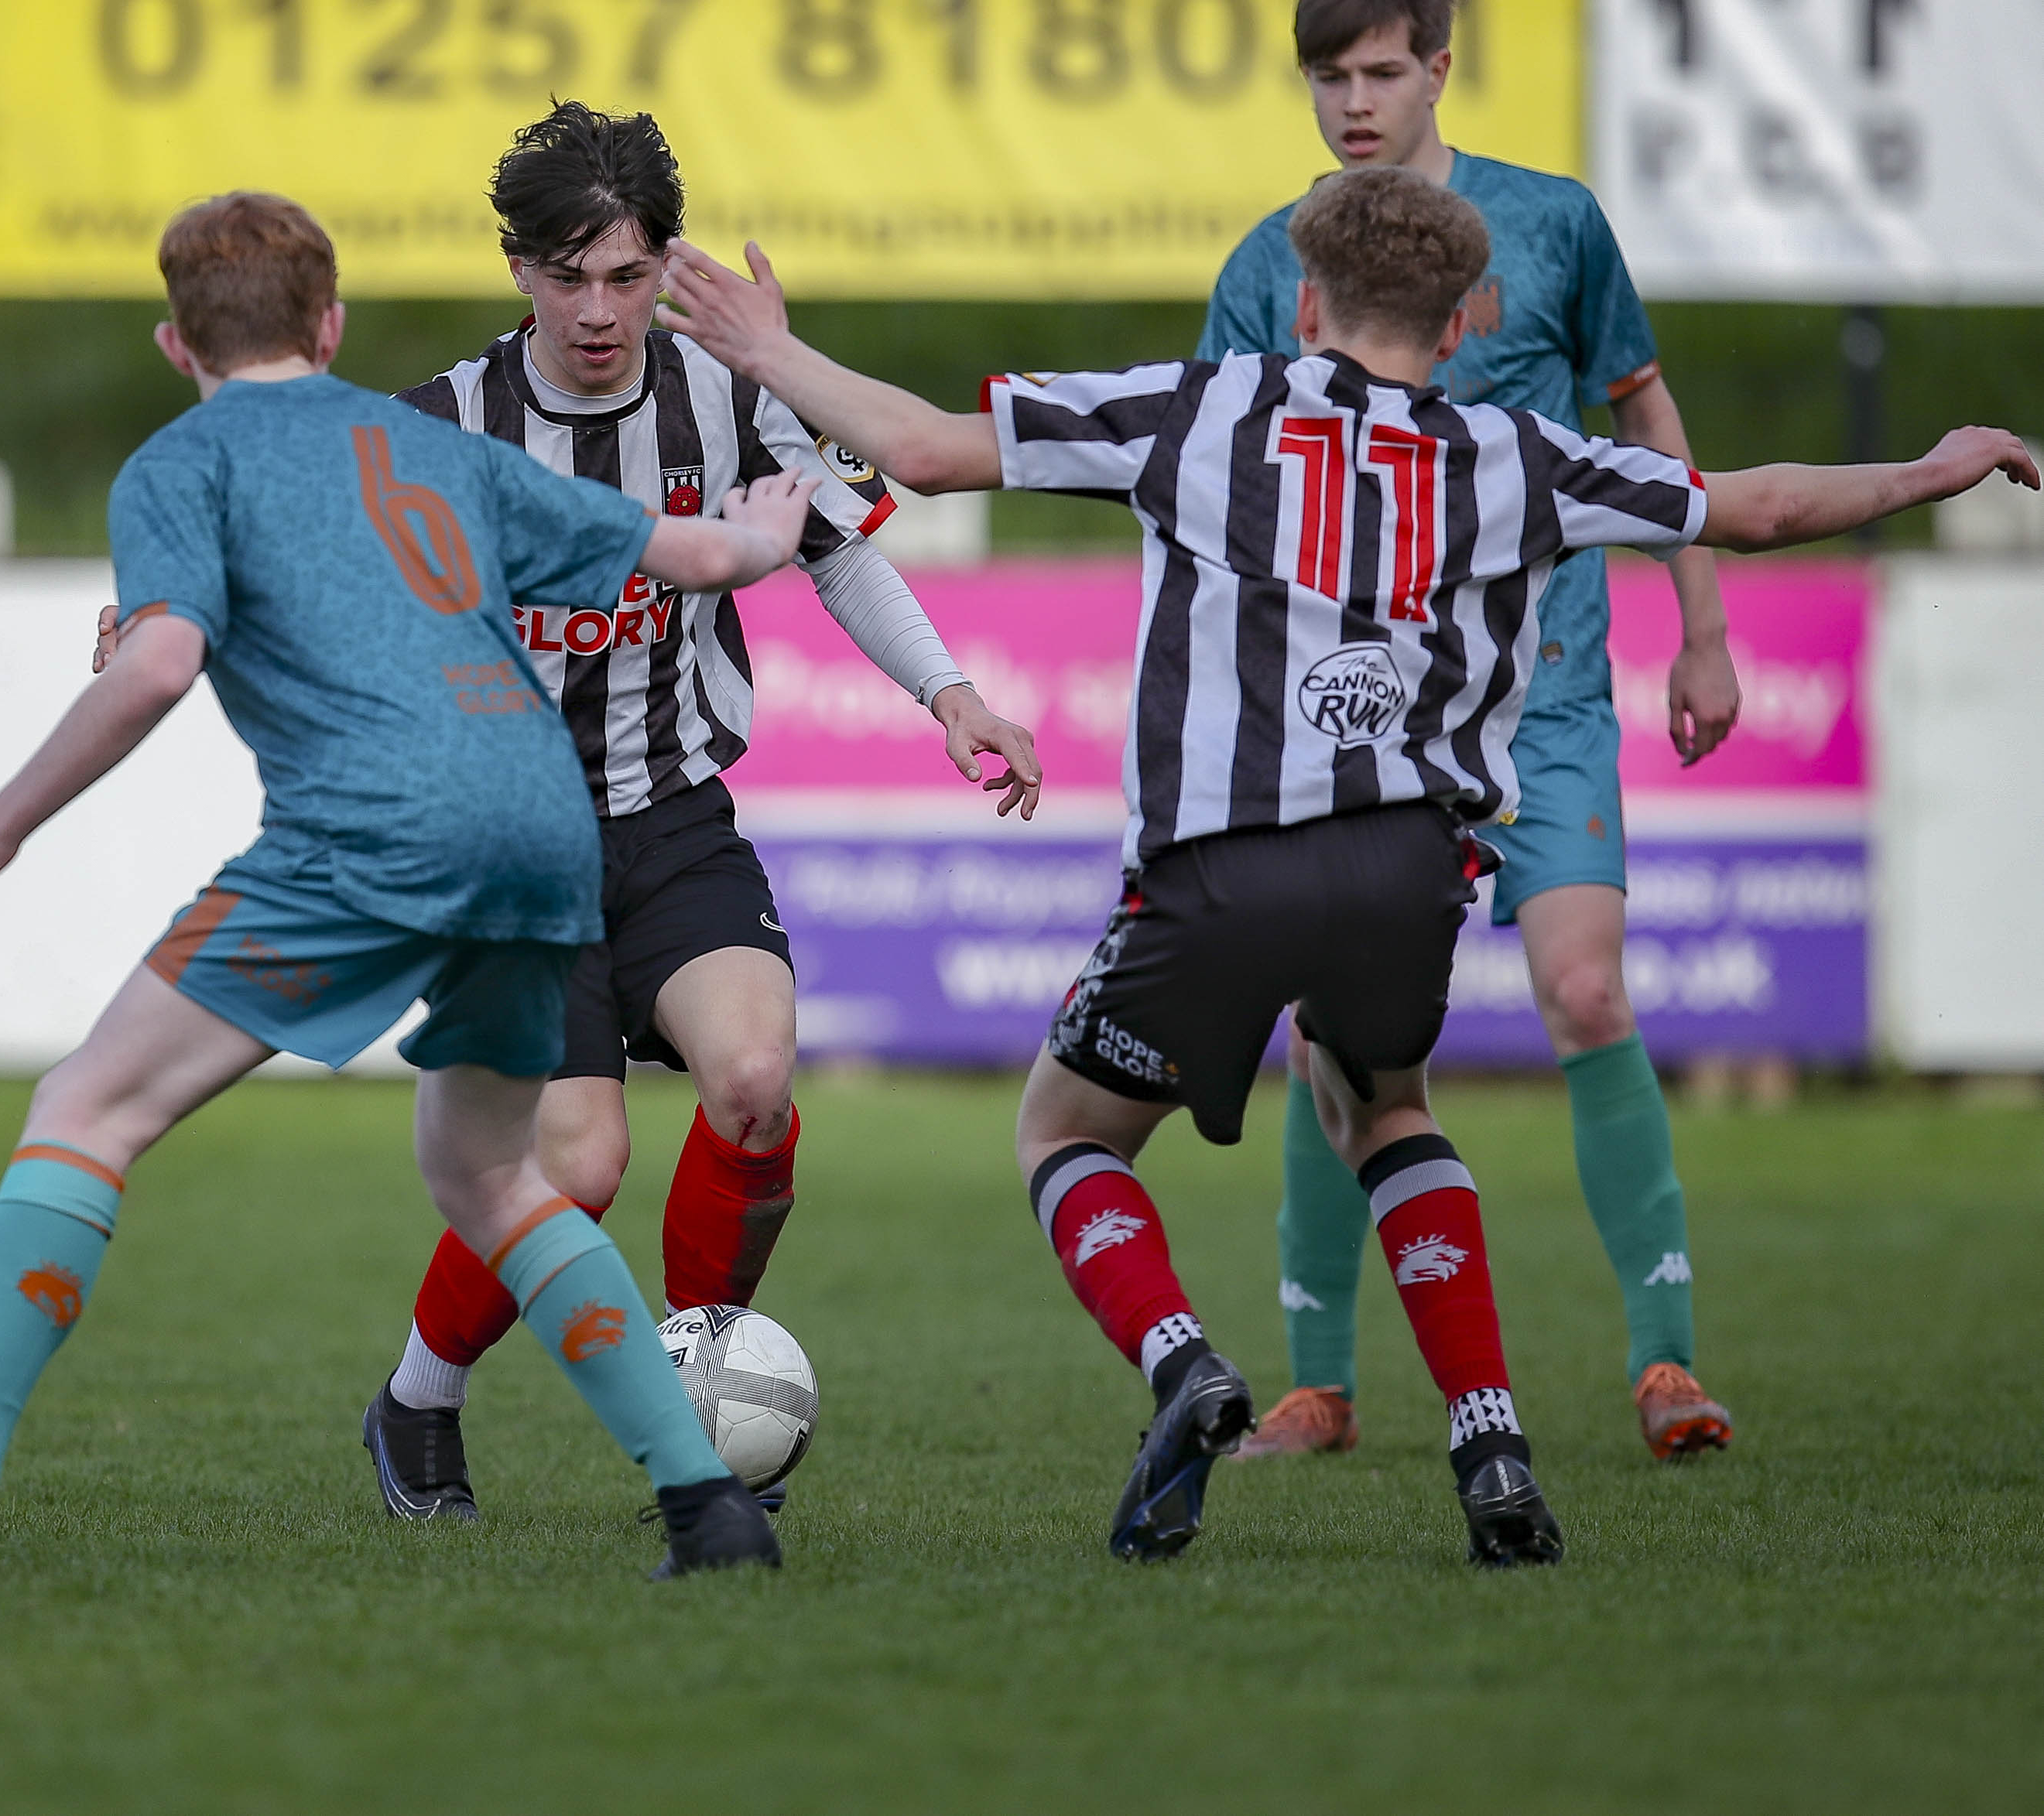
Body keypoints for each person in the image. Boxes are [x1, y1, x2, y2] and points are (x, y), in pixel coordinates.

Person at [656, 166, 2032, 1564]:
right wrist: (1926, 469)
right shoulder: (1517, 452)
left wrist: (770, 350)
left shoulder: (1202, 412)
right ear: (1457, 328)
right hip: (1408, 872)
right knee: (1386, 1113)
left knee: (1064, 1134)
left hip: (1218, 875)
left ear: (1305, 305)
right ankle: (1490, 1437)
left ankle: (1184, 1359)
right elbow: (1756, 507)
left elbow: (929, 448)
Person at [0, 191, 822, 1576]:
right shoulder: (423, 441)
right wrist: (773, 527)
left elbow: (155, 664)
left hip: (377, 831)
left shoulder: (182, 465)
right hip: (544, 826)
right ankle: (707, 1505)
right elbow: (695, 555)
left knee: (85, 1107)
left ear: (174, 346)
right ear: (332, 326)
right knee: (497, 1176)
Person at [358, 101, 1040, 1520]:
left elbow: (842, 557)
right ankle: (417, 1402)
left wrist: (953, 695)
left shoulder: (729, 397)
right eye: (565, 274)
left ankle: (697, 1394)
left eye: (626, 274)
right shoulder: (445, 422)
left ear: (666, 266)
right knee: (579, 1166)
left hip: (672, 817)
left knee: (749, 1081)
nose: (597, 309)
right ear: (518, 271)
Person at [1200, 0, 1744, 1463]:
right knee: (1345, 1044)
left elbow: (1645, 418)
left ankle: (1667, 1364)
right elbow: (1226, 468)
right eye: (1332, 75)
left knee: (1586, 992)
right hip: (1365, 719)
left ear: (1442, 68)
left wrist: (1700, 623)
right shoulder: (1269, 262)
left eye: (1385, 70)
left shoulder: (1553, 224)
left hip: (1548, 691)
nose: (1356, 101)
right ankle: (1320, 1383)